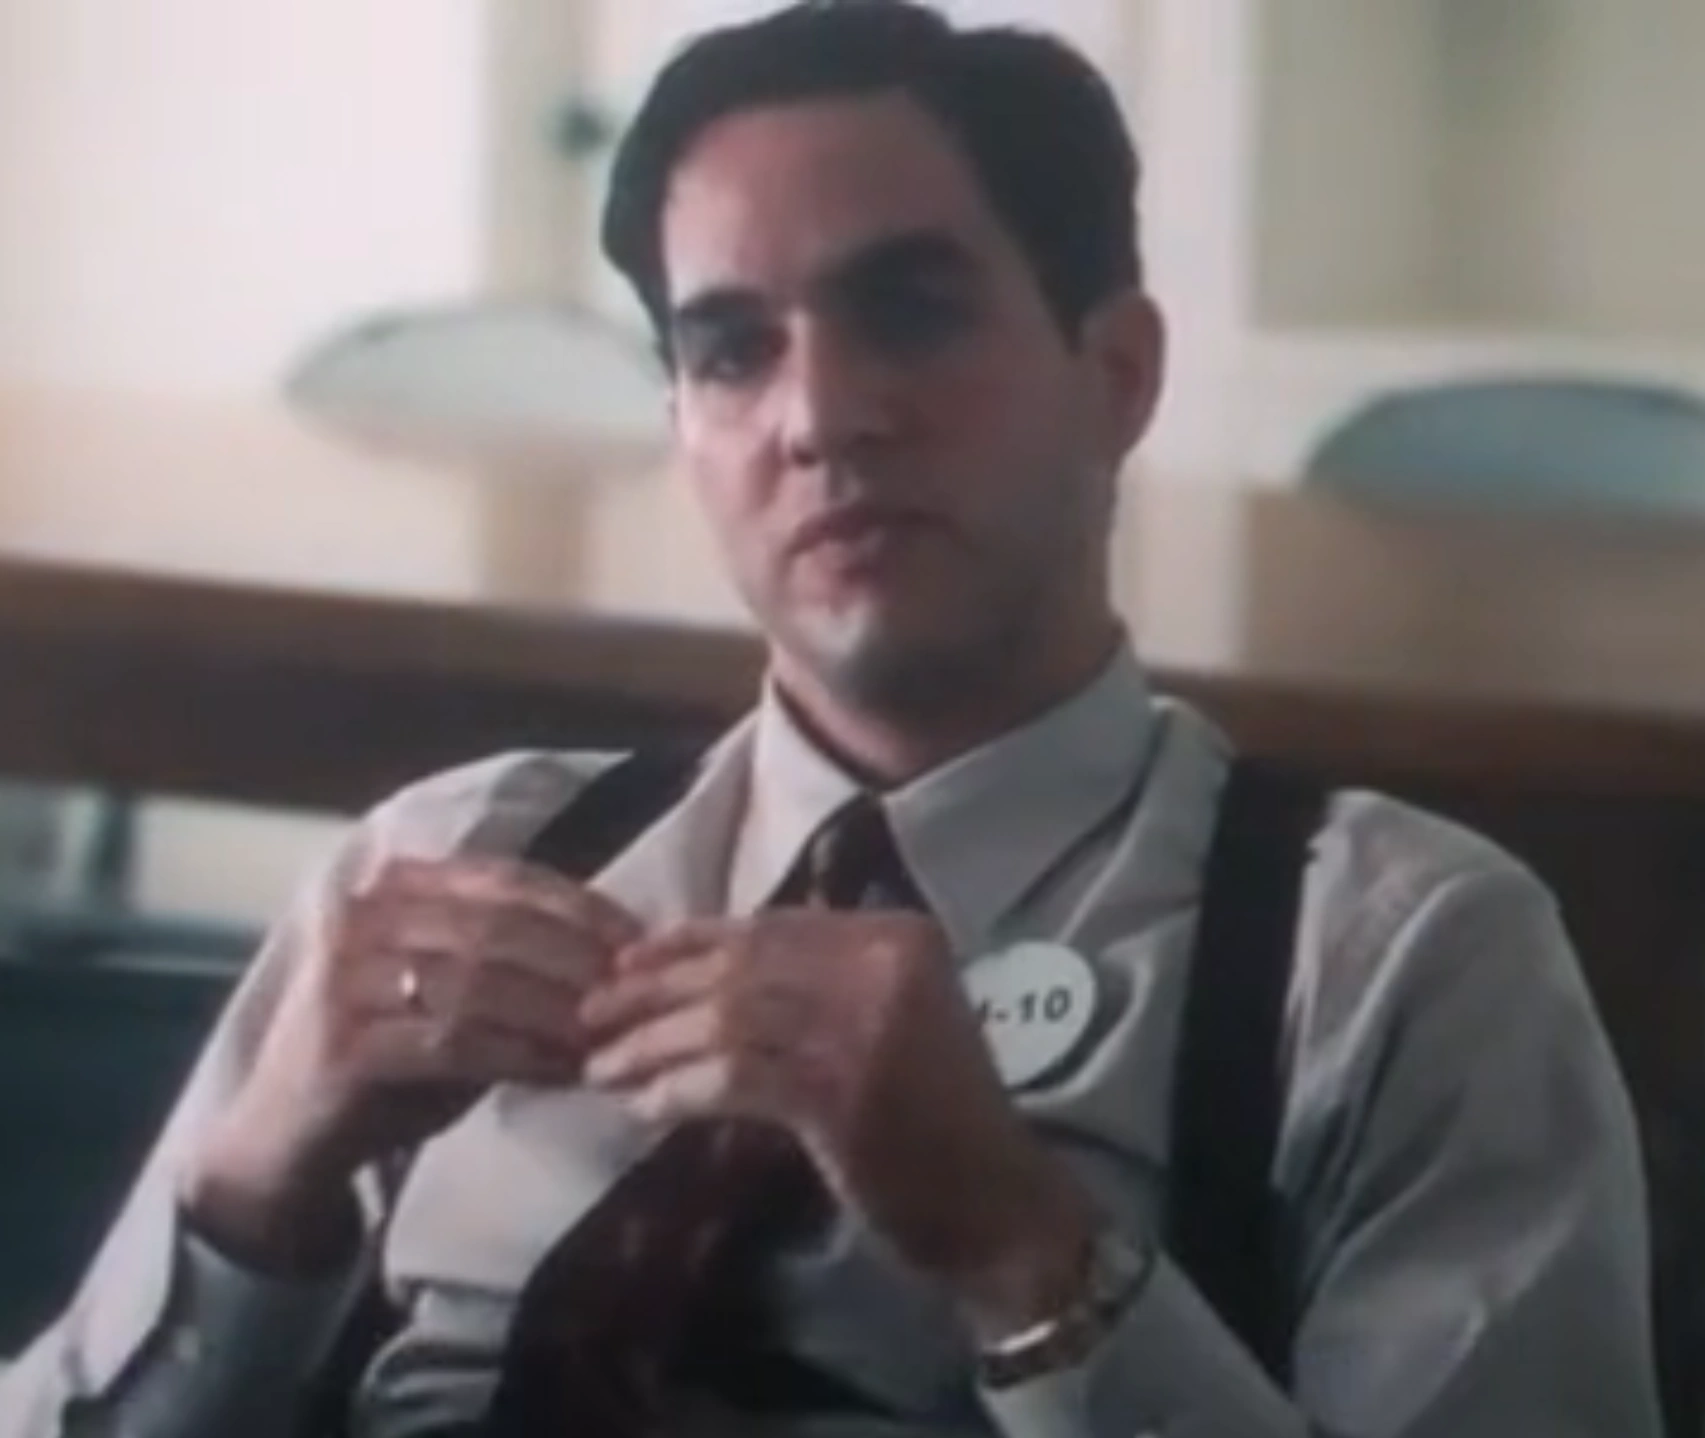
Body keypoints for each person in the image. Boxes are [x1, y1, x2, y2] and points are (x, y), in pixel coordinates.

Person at [0, 3, 1661, 1435]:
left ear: (1118, 373)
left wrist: (1023, 1250)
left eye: (912, 312)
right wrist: (256, 1189)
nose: (820, 415)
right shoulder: (450, 861)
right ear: (680, 424)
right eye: (732, 350)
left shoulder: (1394, 964)